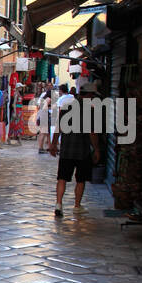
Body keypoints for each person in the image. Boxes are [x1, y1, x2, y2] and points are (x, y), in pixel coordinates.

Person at [49, 86, 99, 218]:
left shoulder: (65, 108)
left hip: (66, 150)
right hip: (82, 151)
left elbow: (58, 128)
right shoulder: (90, 110)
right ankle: (77, 206)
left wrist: (54, 144)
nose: (93, 99)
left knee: (62, 178)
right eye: (92, 96)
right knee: (81, 179)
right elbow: (92, 132)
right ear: (87, 95)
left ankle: (58, 204)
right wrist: (97, 149)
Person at [35, 85, 53, 154]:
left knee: (42, 133)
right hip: (44, 117)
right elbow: (45, 108)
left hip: (41, 116)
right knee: (43, 133)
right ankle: (41, 148)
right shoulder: (48, 99)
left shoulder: (44, 99)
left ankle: (42, 147)